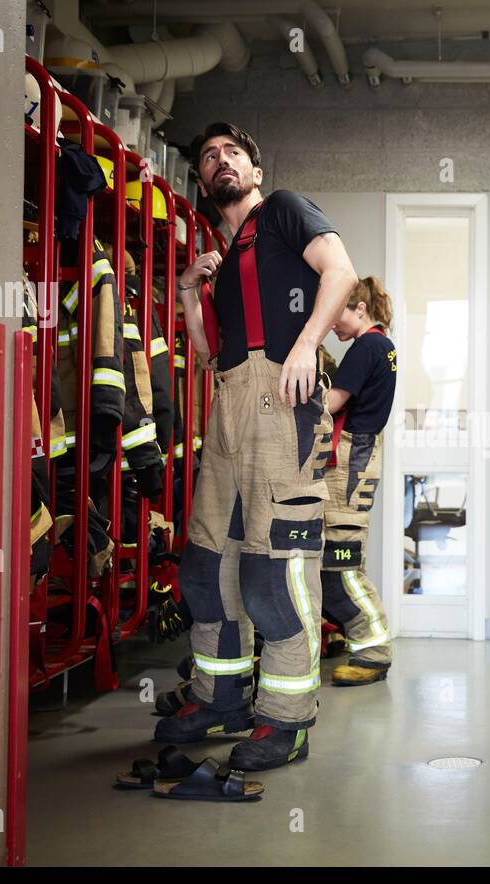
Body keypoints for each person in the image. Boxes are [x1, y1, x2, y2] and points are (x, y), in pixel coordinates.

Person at [159, 121, 358, 776]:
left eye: (233, 153)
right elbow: (208, 351)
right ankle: (221, 699)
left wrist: (305, 345)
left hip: (280, 398)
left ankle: (287, 719)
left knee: (273, 574)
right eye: (209, 156)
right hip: (228, 401)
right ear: (202, 179)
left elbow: (342, 271)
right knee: (207, 563)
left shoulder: (283, 211)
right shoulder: (224, 253)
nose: (221, 161)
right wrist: (191, 290)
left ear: (256, 170)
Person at [319, 277, 399, 686]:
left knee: (341, 567)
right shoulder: (382, 347)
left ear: (361, 309)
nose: (332, 327)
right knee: (335, 563)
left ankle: (374, 651)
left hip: (353, 457)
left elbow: (331, 403)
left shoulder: (367, 346)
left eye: (337, 317)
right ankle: (358, 643)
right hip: (361, 454)